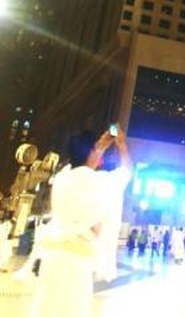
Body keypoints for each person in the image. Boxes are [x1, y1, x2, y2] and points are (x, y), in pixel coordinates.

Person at [29, 125, 131, 317]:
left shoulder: (61, 178)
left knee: (46, 305)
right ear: (91, 153)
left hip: (52, 255)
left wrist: (97, 147)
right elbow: (126, 172)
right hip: (78, 259)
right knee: (73, 308)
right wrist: (121, 145)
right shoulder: (98, 182)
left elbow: (79, 165)